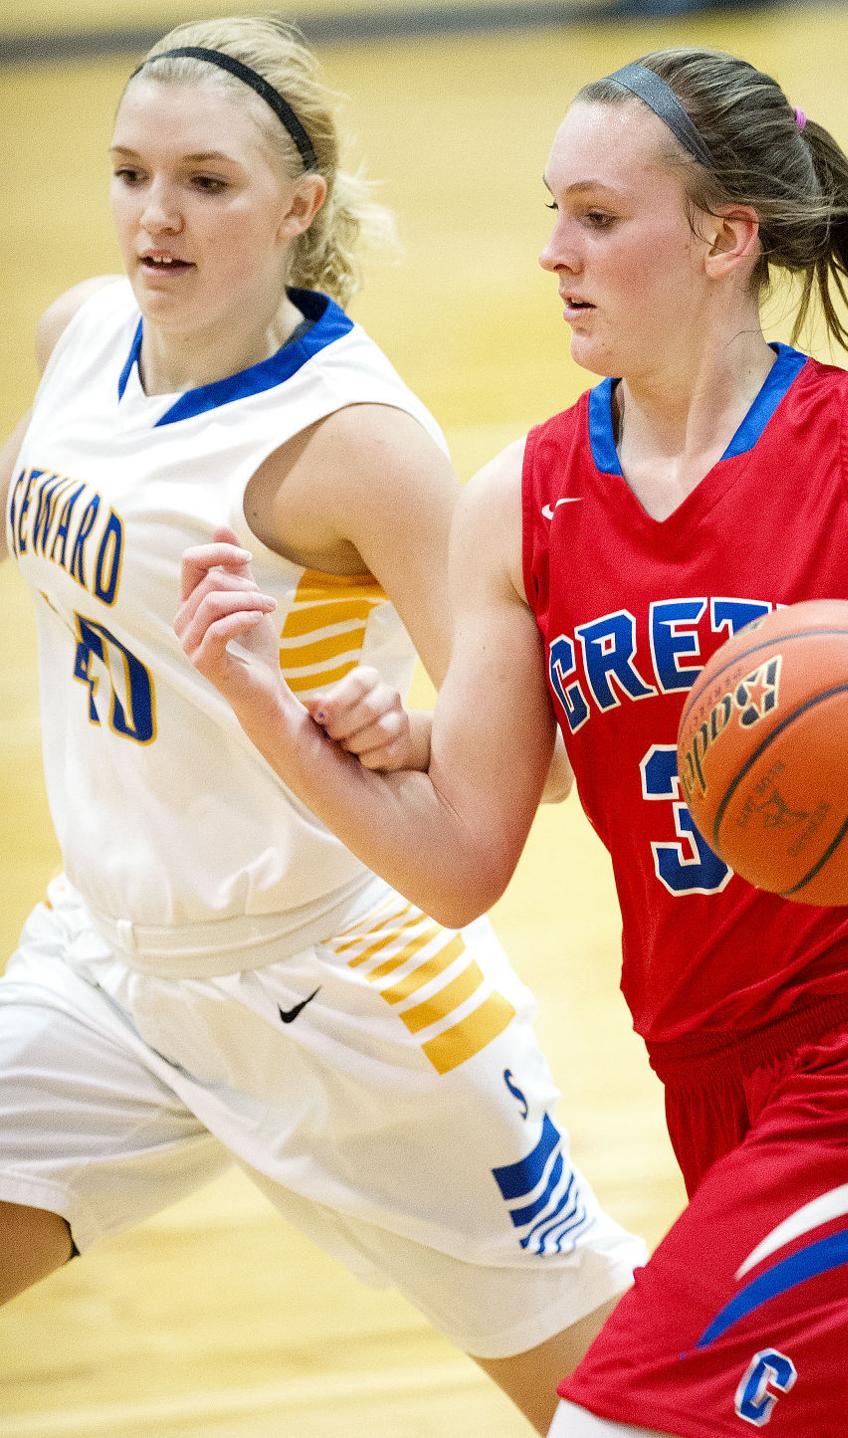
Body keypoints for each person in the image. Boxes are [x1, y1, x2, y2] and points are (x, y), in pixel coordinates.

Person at [178, 47, 848, 1438]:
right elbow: (464, 862)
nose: (555, 251)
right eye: (553, 211)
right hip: (707, 1082)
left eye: (598, 217)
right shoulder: (518, 501)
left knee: (623, 1423)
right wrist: (278, 718)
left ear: (726, 239)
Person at [0, 16, 648, 1434]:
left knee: (619, 1409)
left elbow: (527, 774)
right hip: (104, 961)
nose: (155, 216)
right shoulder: (81, 335)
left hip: (340, 989)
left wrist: (400, 724)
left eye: (206, 183)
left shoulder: (356, 440)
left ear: (300, 205)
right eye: (130, 172)